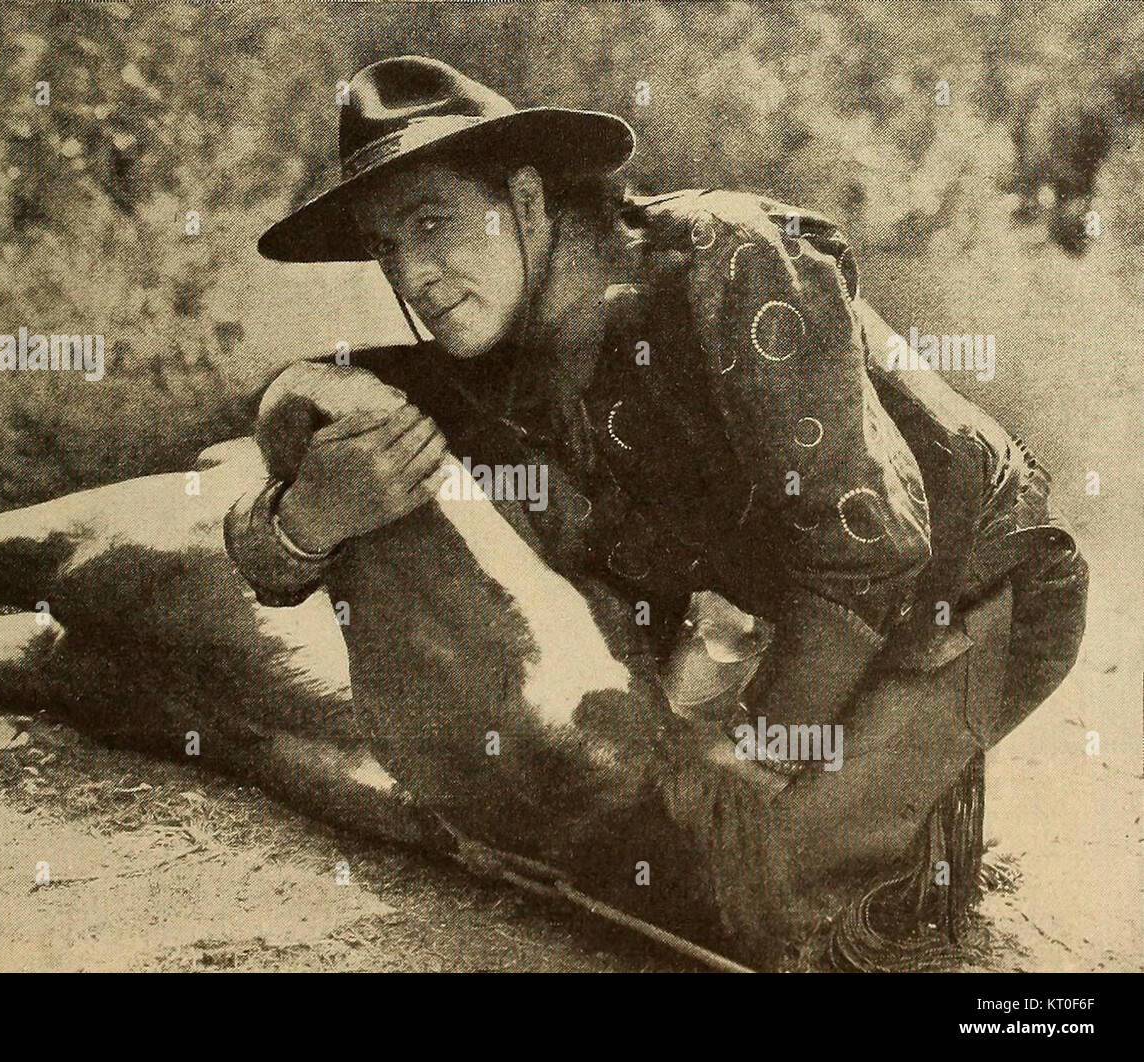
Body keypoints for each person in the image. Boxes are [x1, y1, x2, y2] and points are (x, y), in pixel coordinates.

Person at [225, 56, 1090, 958]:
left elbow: (876, 546)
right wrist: (307, 512)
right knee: (628, 847)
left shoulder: (730, 257)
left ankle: (892, 824)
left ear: (525, 199)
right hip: (808, 614)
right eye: (386, 245)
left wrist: (749, 753)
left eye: (432, 222)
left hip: (978, 587)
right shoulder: (492, 358)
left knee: (746, 894)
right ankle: (860, 805)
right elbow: (308, 404)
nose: (414, 274)